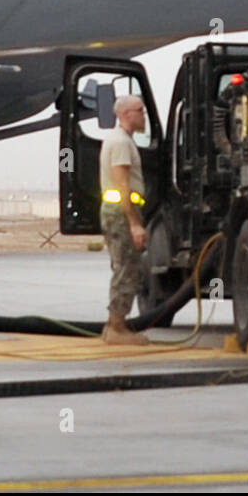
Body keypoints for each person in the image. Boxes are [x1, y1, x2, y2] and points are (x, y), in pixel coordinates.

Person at [99, 94, 151, 345]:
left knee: (124, 267)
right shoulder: (120, 143)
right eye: (139, 110)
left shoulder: (121, 141)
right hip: (121, 213)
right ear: (125, 114)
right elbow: (122, 185)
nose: (144, 115)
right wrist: (134, 223)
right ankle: (117, 328)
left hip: (119, 212)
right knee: (126, 269)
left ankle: (113, 326)